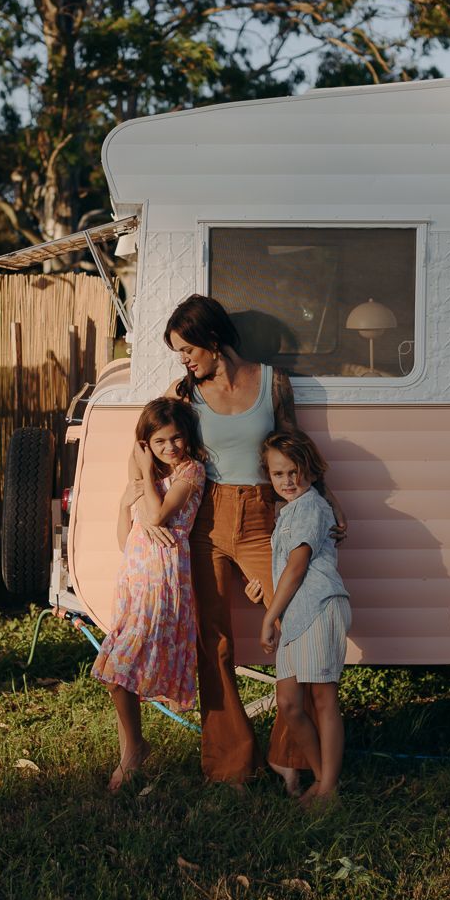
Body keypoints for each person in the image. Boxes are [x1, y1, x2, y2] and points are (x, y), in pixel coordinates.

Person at [161, 294, 347, 788]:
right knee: (215, 643)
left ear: (212, 339)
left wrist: (327, 498)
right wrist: (139, 490)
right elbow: (155, 441)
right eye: (179, 352)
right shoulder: (185, 393)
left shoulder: (272, 382)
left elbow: (293, 447)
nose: (184, 360)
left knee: (293, 626)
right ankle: (230, 765)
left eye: (187, 349)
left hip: (266, 515)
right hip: (207, 517)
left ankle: (289, 755)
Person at [92, 398, 206, 791]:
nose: (170, 447)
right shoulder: (149, 474)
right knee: (117, 671)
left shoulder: (191, 471)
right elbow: (127, 539)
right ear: (147, 443)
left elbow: (157, 516)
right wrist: (125, 504)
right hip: (135, 578)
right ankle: (131, 751)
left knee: (119, 669)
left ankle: (134, 751)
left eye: (176, 438)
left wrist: (142, 472)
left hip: (164, 577)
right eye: (159, 442)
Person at [246, 430, 351, 804]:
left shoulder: (311, 506)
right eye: (279, 474)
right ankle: (322, 780)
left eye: (295, 471)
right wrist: (264, 594)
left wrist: (268, 617)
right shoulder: (288, 511)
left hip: (319, 607)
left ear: (311, 470)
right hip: (295, 614)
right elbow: (282, 568)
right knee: (290, 704)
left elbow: (298, 564)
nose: (288, 480)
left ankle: (328, 789)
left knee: (323, 699)